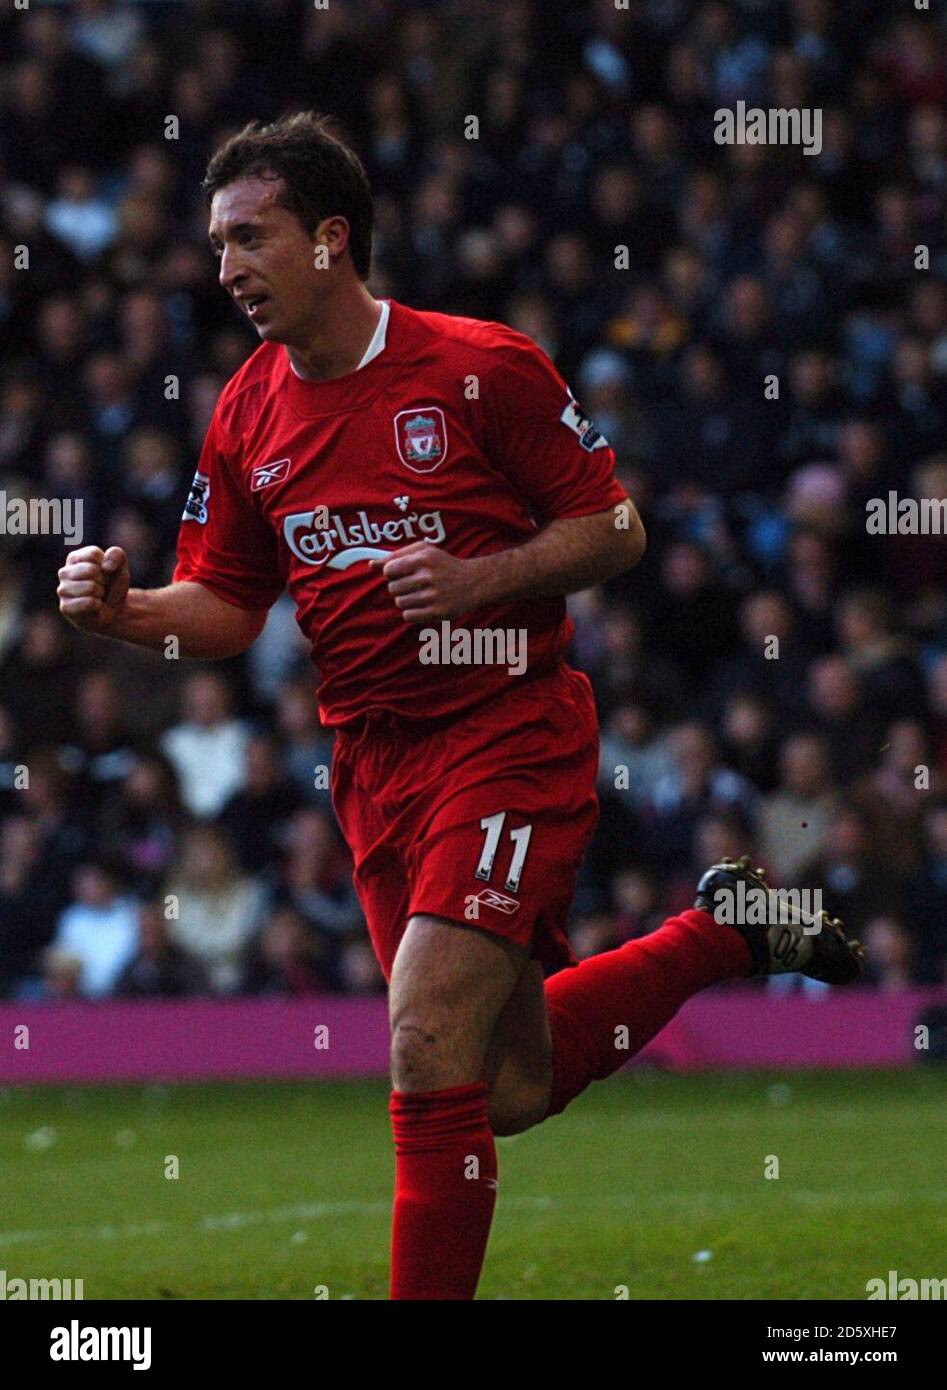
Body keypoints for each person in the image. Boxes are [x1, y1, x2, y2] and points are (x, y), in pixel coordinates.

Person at [57, 111, 864, 1301]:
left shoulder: (480, 368)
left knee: (422, 1044)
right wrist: (128, 614)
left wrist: (479, 579)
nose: (224, 268)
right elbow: (228, 603)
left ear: (332, 241)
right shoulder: (244, 413)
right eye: (217, 242)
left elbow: (617, 528)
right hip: (373, 763)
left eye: (248, 237)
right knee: (503, 1088)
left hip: (507, 732)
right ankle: (724, 934)